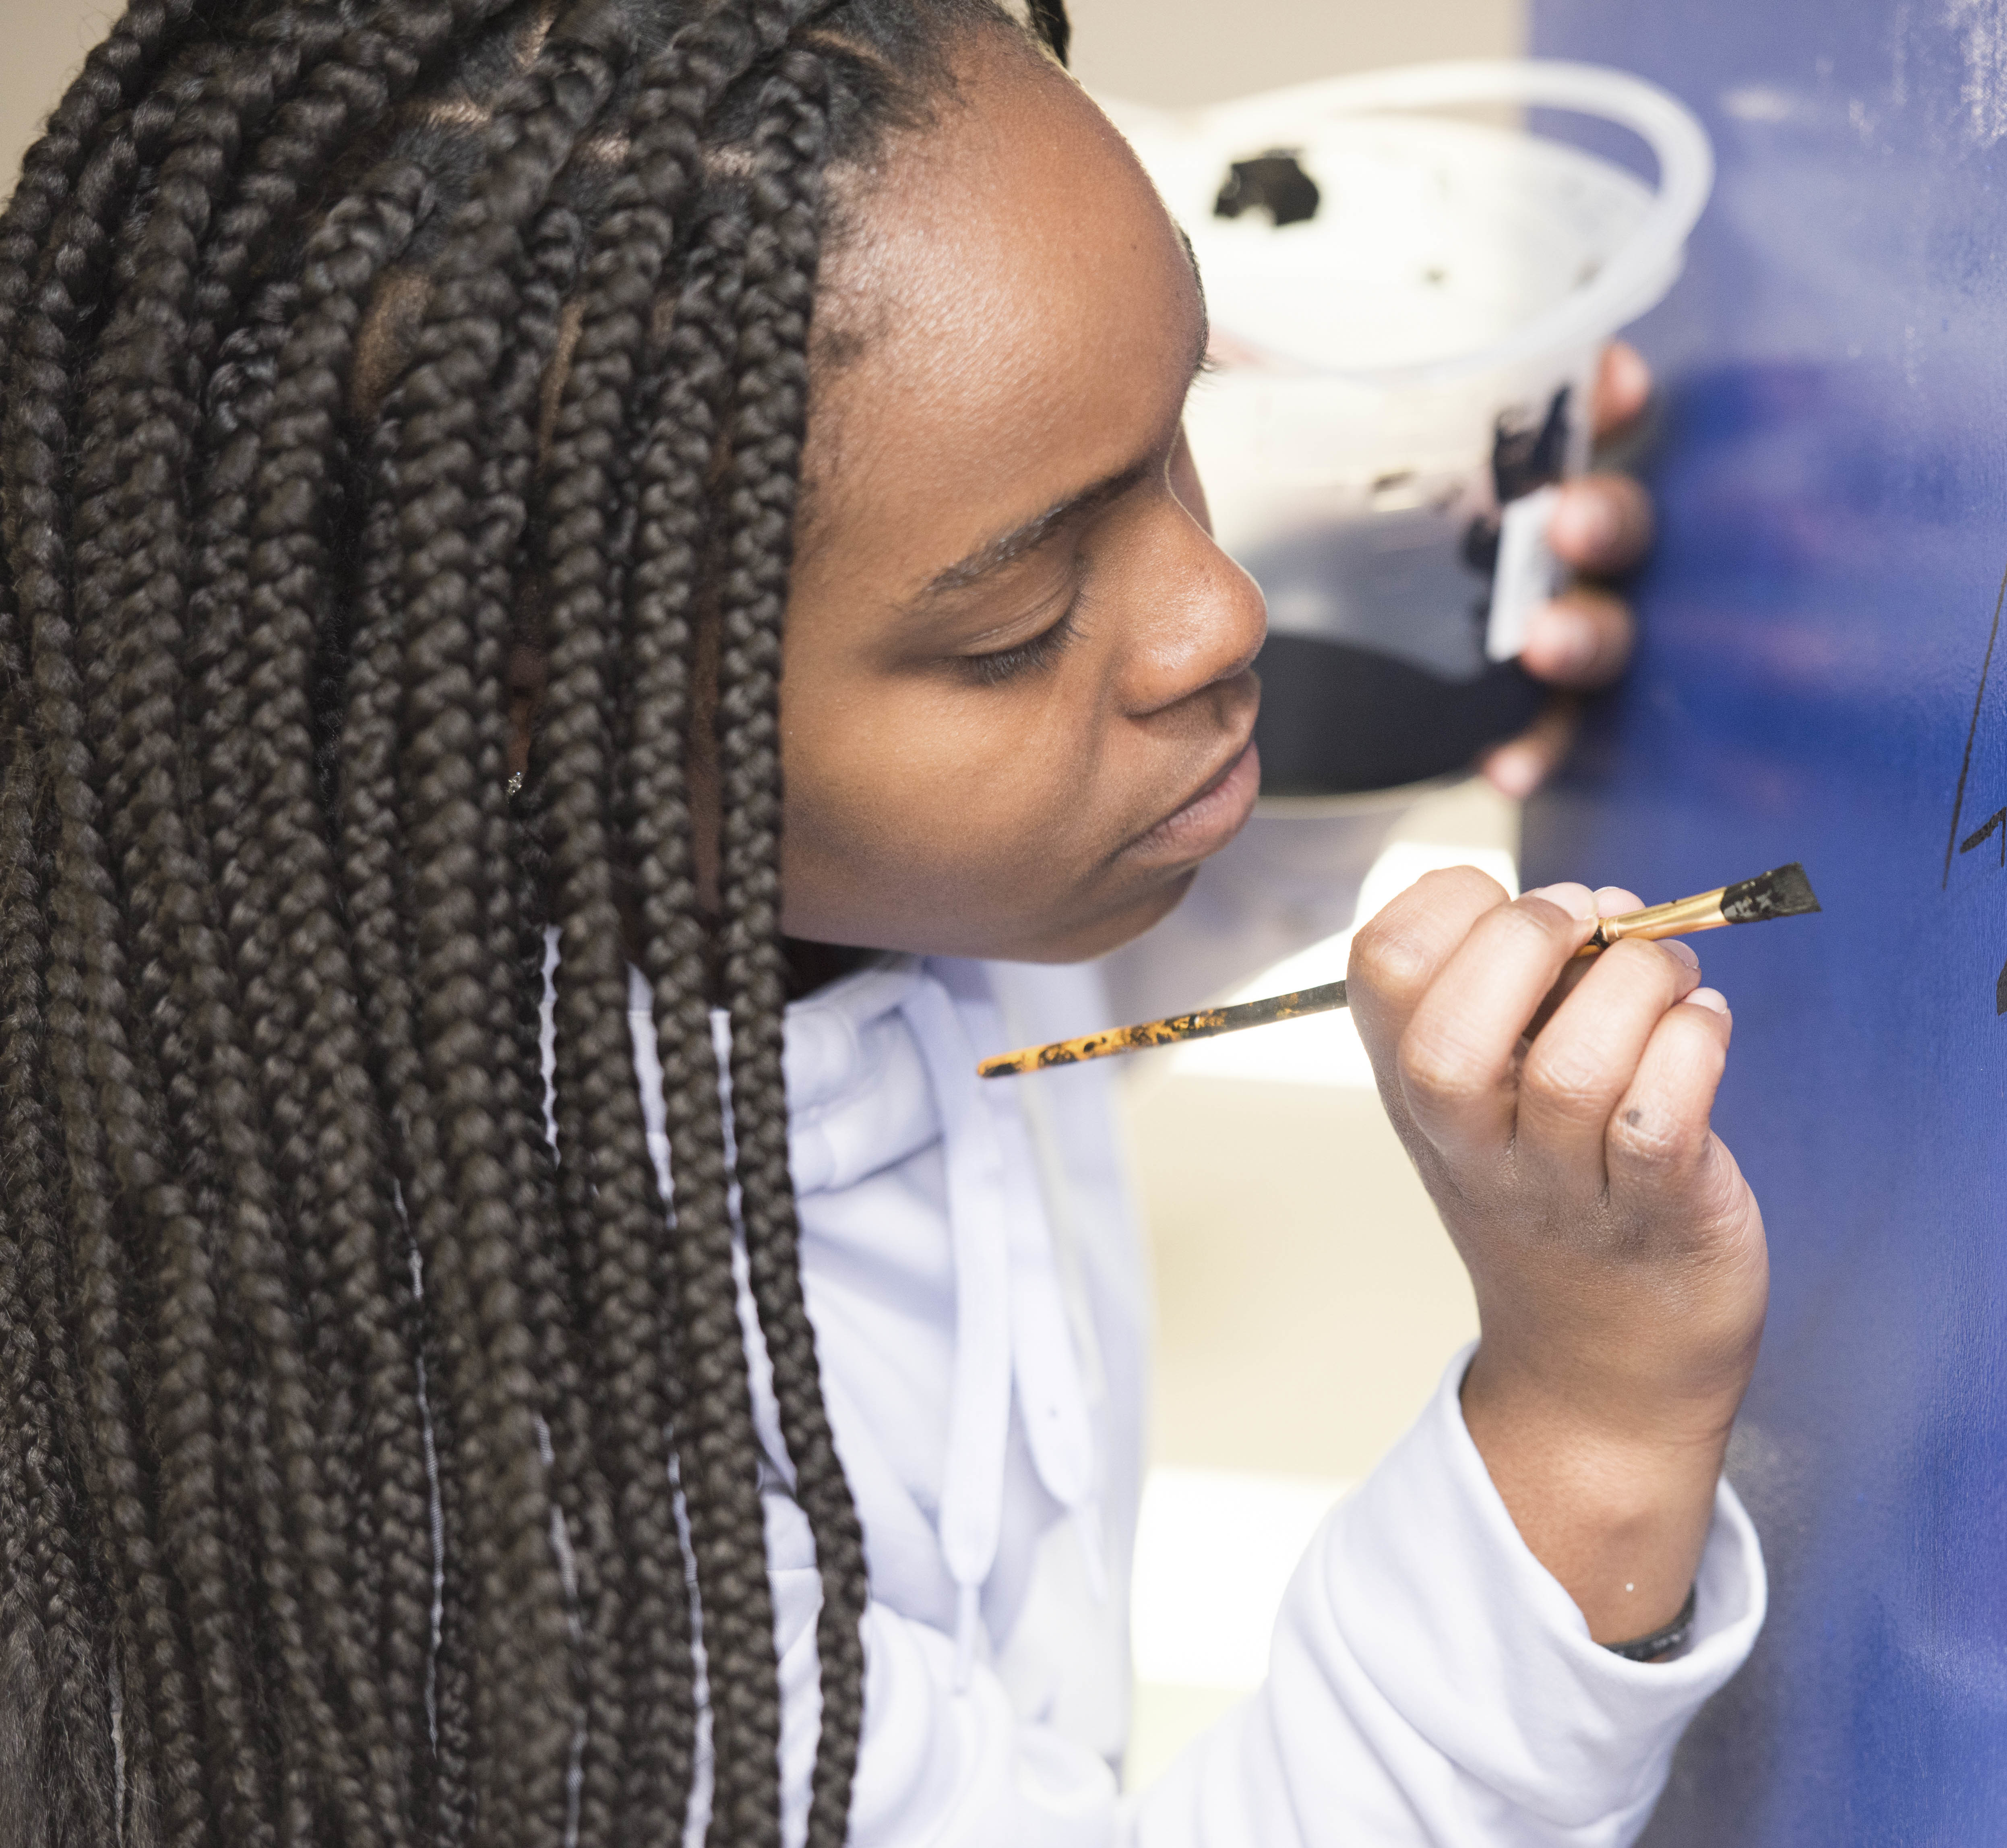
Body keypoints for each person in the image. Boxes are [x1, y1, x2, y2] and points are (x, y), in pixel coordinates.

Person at [0, 2, 1771, 1844]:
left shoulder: (732, 845)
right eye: (1014, 623)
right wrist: (1590, 1424)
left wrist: (1400, 640)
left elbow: (959, 986)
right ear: (536, 701)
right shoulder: (527, 1533)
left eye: (1182, 429)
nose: (1219, 608)